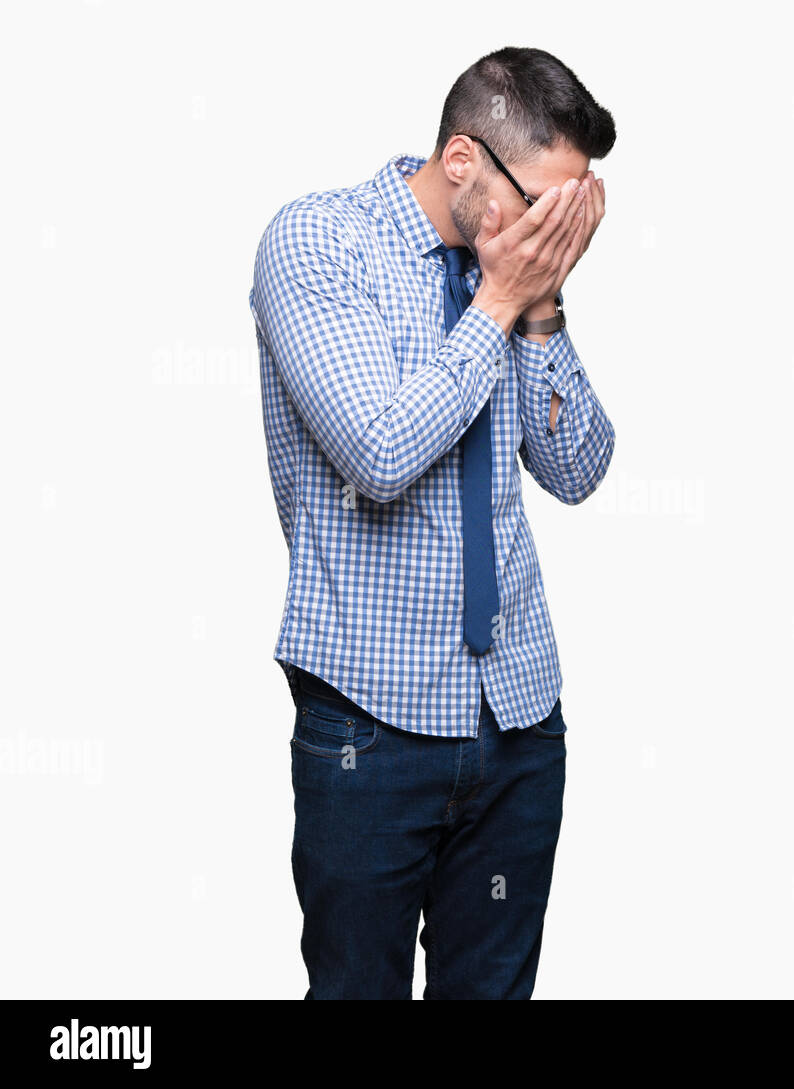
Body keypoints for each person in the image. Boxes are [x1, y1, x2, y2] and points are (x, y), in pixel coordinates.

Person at [247, 46, 616, 999]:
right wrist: (497, 304)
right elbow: (379, 454)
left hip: (520, 720)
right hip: (372, 723)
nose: (553, 232)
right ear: (462, 161)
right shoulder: (319, 244)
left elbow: (578, 468)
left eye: (572, 212)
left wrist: (540, 310)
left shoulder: (512, 280)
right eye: (543, 205)